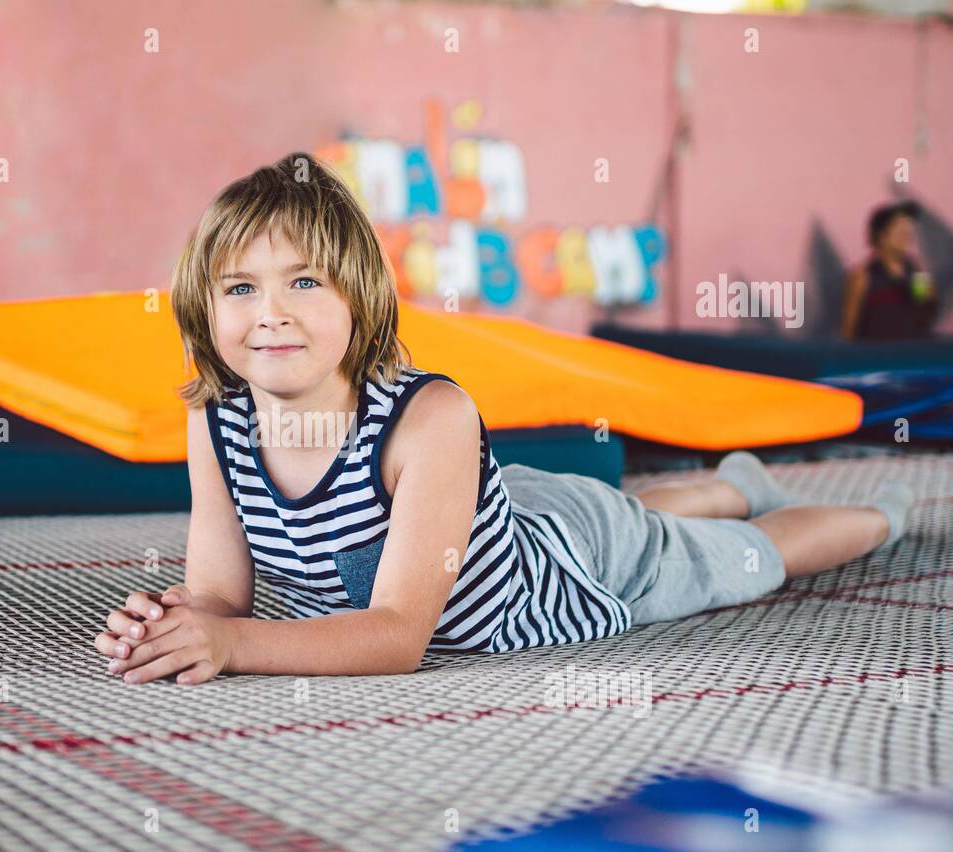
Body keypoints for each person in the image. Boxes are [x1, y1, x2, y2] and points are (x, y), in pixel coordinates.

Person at [96, 152, 916, 685]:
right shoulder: (218, 419)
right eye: (241, 288)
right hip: (497, 513)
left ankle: (884, 513)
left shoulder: (429, 420)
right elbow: (221, 595)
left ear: (360, 299)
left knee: (745, 557)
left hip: (575, 561)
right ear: (205, 308)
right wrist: (176, 623)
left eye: (304, 282)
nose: (270, 312)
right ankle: (731, 481)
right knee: (629, 507)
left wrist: (233, 647)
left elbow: (397, 638)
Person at [841, 200, 939, 340]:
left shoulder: (917, 273)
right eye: (899, 228)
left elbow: (925, 316)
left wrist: (928, 297)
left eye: (908, 228)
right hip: (878, 353)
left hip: (914, 352)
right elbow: (848, 333)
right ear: (881, 236)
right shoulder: (862, 277)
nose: (907, 234)